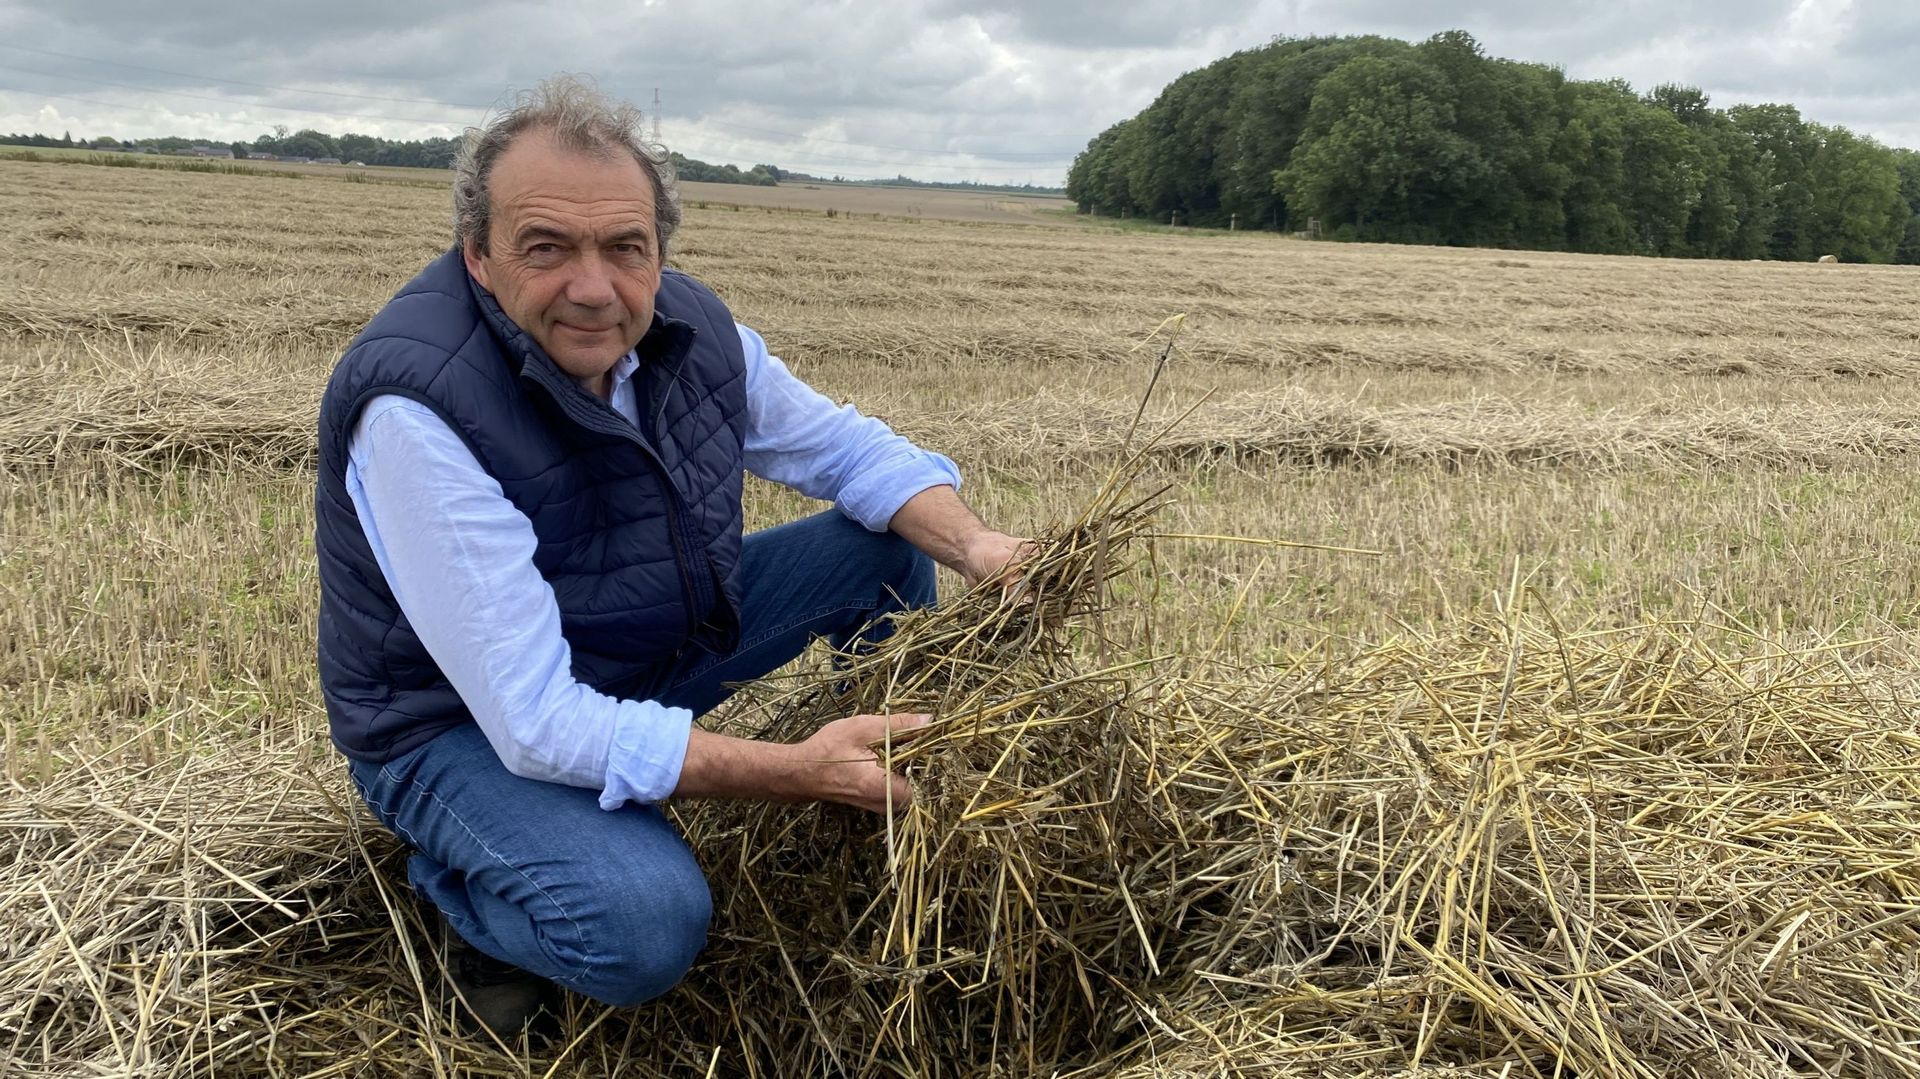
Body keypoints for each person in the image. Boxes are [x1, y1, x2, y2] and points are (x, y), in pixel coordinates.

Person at [312, 75, 1025, 1037]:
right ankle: (462, 891)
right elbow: (533, 722)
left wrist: (976, 541)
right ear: (479, 256)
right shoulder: (418, 409)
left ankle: (889, 790)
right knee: (643, 927)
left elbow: (849, 451)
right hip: (455, 728)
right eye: (547, 248)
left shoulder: (692, 332)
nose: (594, 287)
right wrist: (786, 768)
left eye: (624, 248)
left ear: (659, 251)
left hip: (637, 653)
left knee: (877, 547)